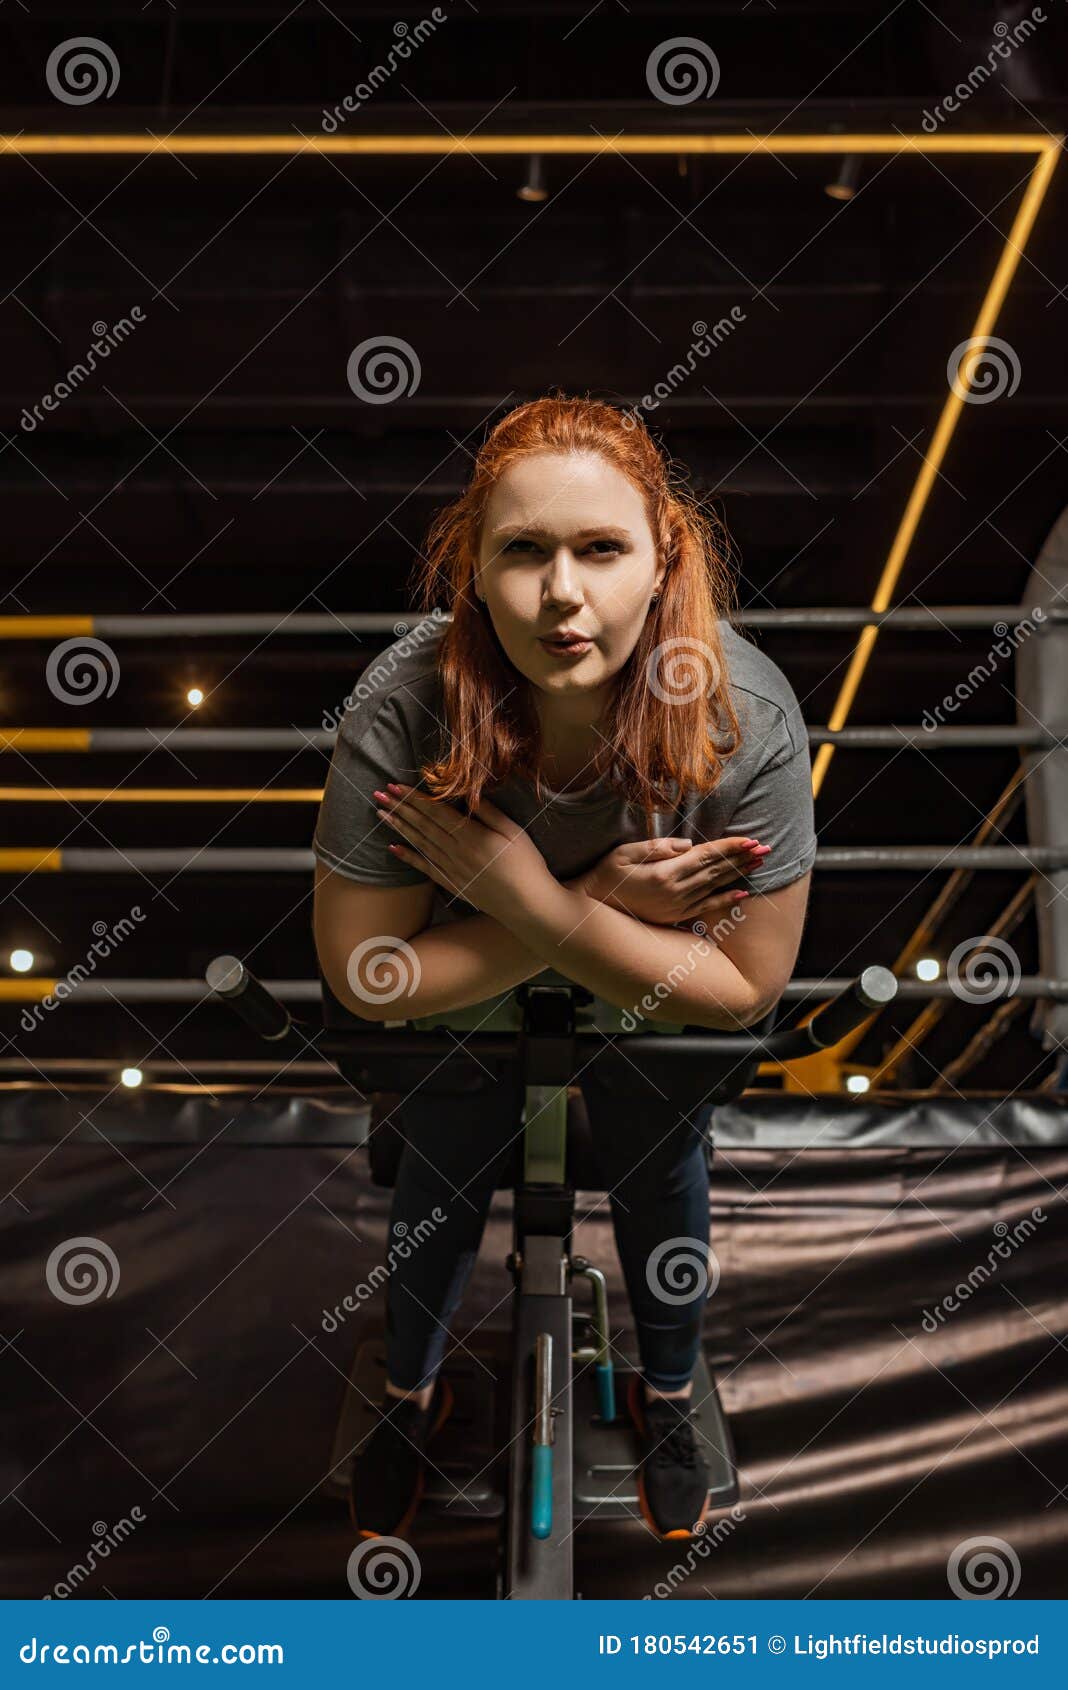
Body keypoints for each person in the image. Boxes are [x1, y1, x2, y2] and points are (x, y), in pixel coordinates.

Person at [312, 392, 816, 1544]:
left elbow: (743, 988)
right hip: (472, 1011)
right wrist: (591, 907)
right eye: (523, 551)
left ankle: (671, 1390)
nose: (562, 595)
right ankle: (409, 1392)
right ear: (474, 569)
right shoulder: (405, 705)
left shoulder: (748, 716)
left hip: (634, 1013)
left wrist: (526, 894)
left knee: (661, 1143)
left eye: (601, 548)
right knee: (445, 1151)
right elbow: (369, 978)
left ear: (662, 559)